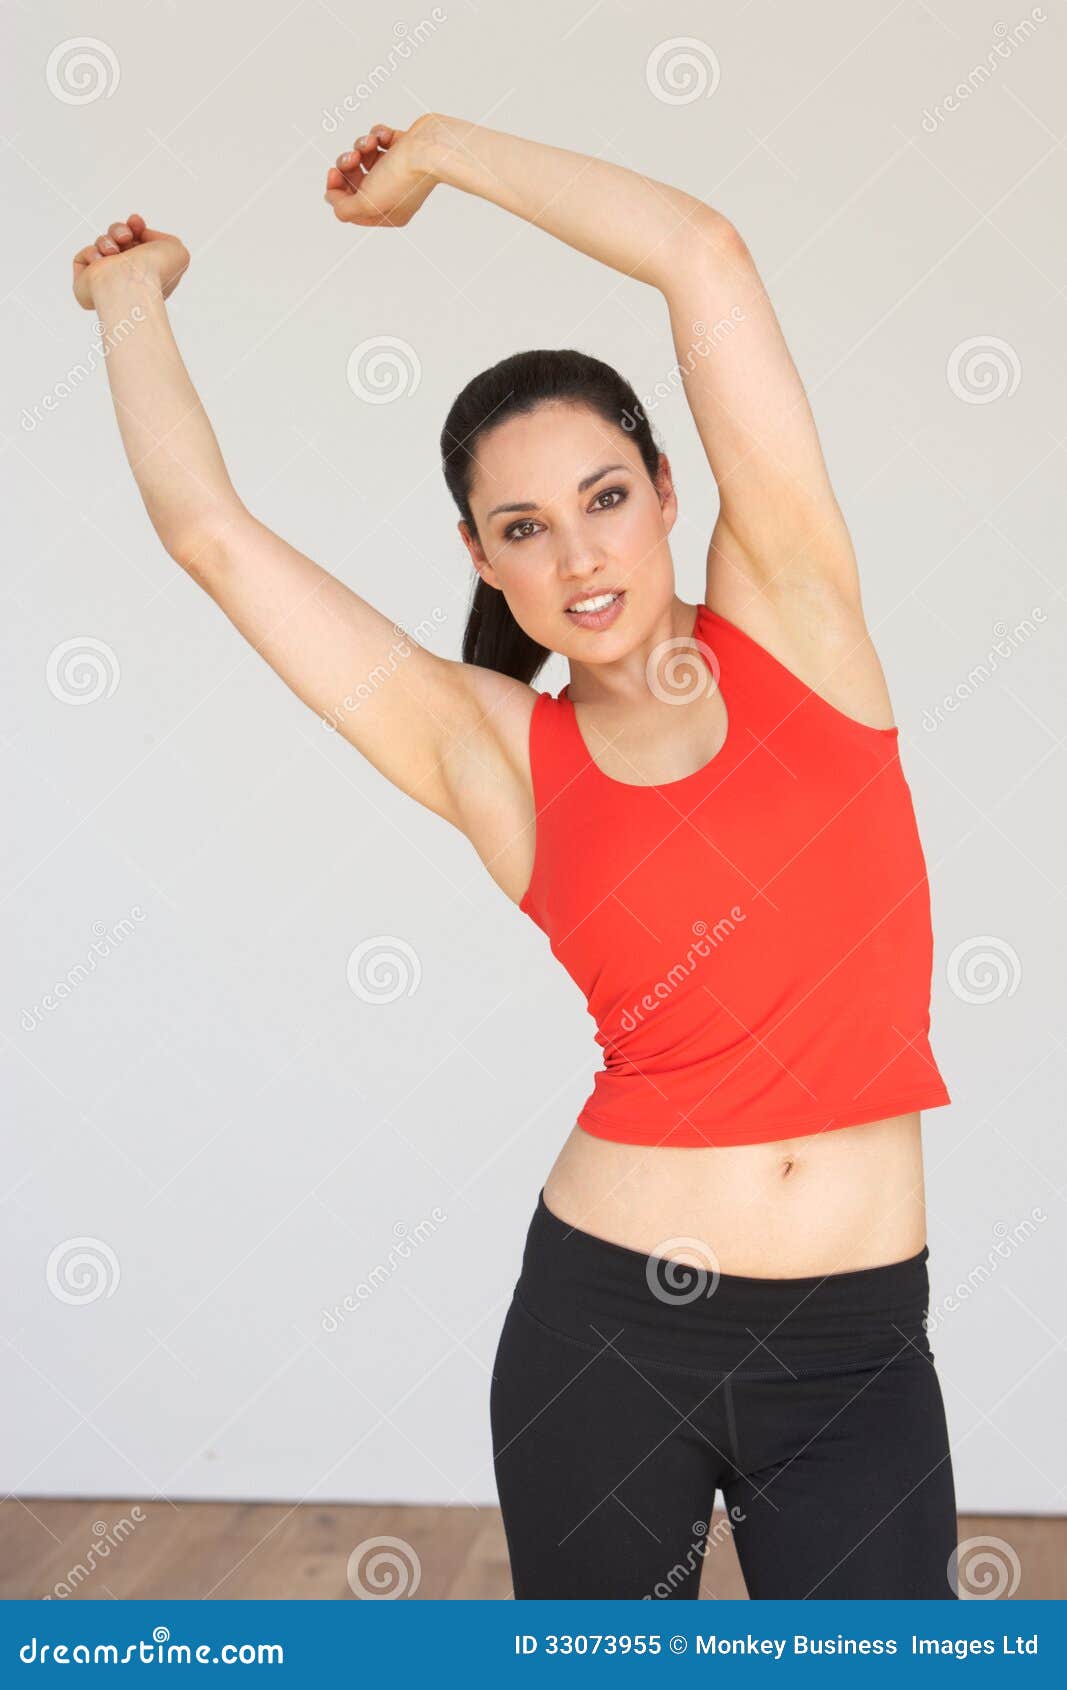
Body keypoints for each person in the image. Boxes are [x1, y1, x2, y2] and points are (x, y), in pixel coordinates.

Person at [71, 112, 958, 1600]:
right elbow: (211, 533)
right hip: (606, 1337)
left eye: (608, 498)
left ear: (668, 493)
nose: (581, 557)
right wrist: (131, 298)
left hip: (856, 1345)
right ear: (483, 556)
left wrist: (439, 153)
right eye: (526, 527)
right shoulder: (495, 752)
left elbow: (701, 254)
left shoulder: (799, 618)